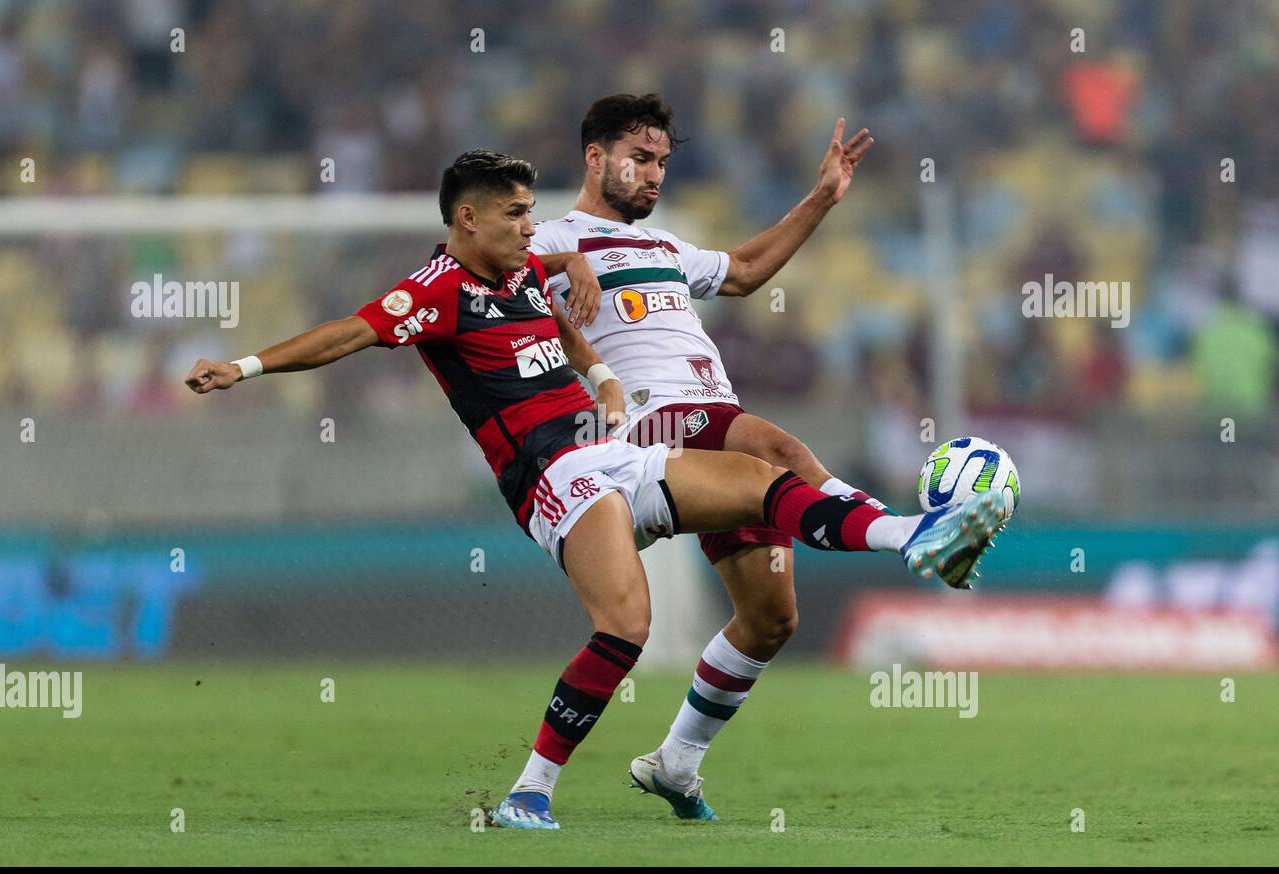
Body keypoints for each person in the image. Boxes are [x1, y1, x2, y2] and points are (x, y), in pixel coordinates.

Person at [185, 149, 1009, 830]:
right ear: (466, 219)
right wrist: (246, 365)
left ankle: (912, 535)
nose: (528, 225)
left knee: (762, 481)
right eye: (512, 213)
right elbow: (350, 333)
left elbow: (561, 319)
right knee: (627, 625)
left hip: (604, 450)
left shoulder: (520, 269)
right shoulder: (438, 288)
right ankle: (528, 791)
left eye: (530, 211)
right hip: (547, 477)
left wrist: (604, 372)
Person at [528, 94, 926, 820]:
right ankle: (902, 532)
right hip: (649, 431)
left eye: (663, 164)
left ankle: (676, 762)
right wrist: (559, 265)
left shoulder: (667, 247)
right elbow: (482, 274)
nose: (654, 176)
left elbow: (742, 270)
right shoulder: (553, 236)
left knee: (771, 617)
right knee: (775, 444)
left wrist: (822, 198)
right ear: (595, 156)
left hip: (709, 432)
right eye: (640, 159)